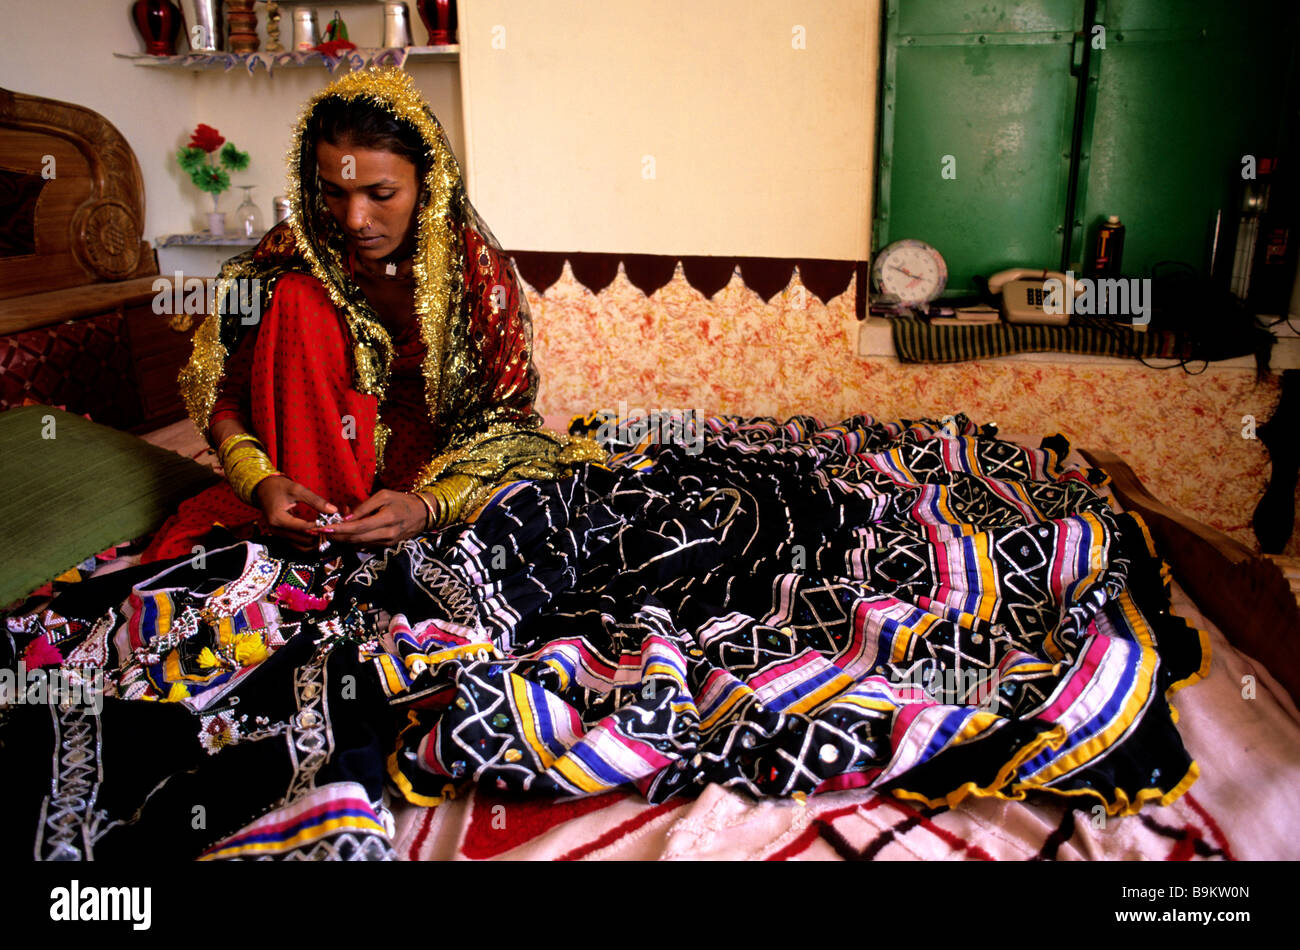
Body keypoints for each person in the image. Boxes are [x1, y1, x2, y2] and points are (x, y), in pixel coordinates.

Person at [143, 66, 603, 563]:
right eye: (334, 192)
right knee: (297, 296)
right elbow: (224, 395)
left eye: (381, 194)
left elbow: (506, 423)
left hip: (428, 481)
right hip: (309, 483)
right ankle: (323, 533)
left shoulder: (474, 274)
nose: (355, 219)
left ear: (428, 184)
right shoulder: (287, 257)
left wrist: (428, 506)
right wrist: (261, 482)